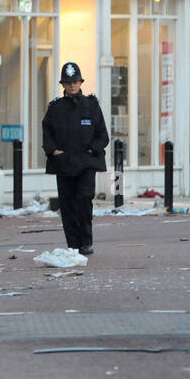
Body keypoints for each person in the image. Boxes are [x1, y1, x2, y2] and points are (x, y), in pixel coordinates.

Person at [42, 61, 109, 255]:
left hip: (86, 164)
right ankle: (73, 244)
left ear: (81, 83)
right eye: (68, 82)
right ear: (63, 85)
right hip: (64, 164)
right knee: (67, 206)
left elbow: (103, 136)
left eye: (75, 81)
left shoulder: (91, 106)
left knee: (83, 200)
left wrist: (91, 150)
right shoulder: (55, 108)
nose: (72, 85)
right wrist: (53, 150)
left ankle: (86, 242)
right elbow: (47, 132)